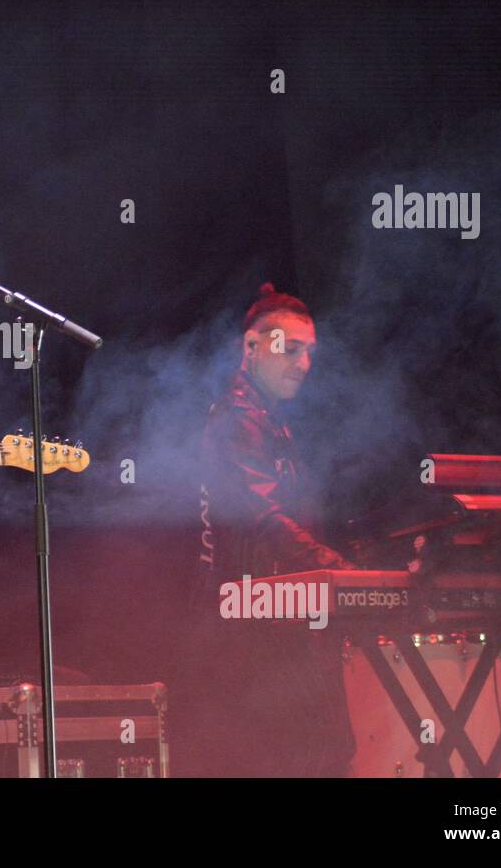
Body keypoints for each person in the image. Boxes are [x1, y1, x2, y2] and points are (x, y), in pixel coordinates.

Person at [182, 283, 357, 776]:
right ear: (251, 348)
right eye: (289, 348)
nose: (303, 363)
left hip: (263, 614)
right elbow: (262, 517)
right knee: (312, 752)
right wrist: (340, 571)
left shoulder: (267, 420)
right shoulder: (240, 419)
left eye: (309, 353)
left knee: (318, 752)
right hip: (251, 618)